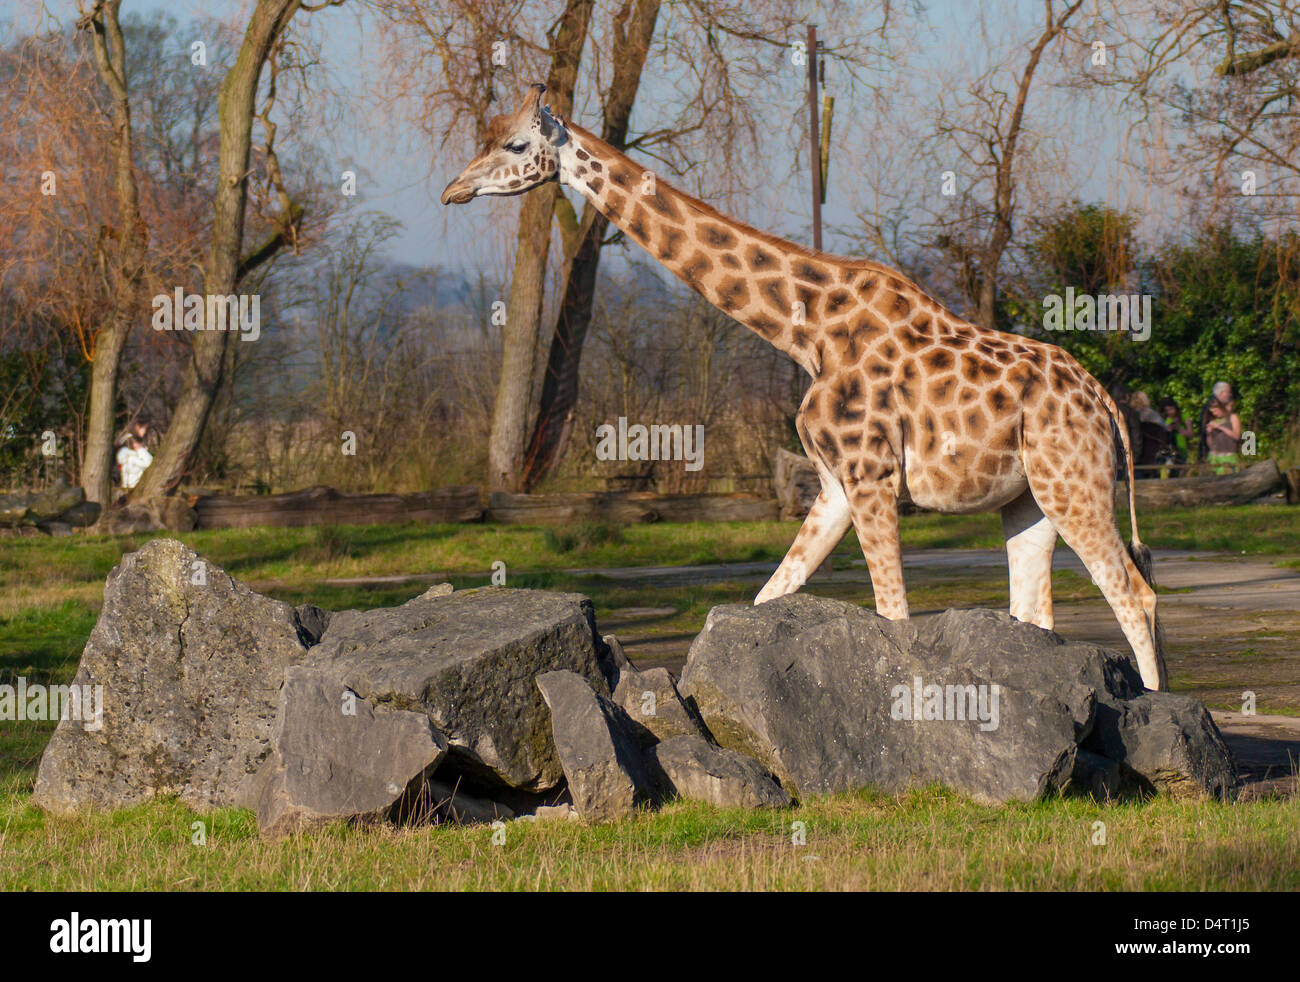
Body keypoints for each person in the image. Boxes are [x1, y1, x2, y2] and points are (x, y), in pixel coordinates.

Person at [1130, 391, 1167, 477]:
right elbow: (1163, 429)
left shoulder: (1130, 415)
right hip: (1152, 453)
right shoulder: (1153, 415)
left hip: (1136, 452)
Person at [1158, 396, 1193, 475]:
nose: (1170, 412)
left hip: (1182, 449)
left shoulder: (1184, 416)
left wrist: (1178, 429)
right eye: (1167, 410)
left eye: (1171, 409)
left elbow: (1191, 434)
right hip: (1169, 450)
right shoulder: (1164, 419)